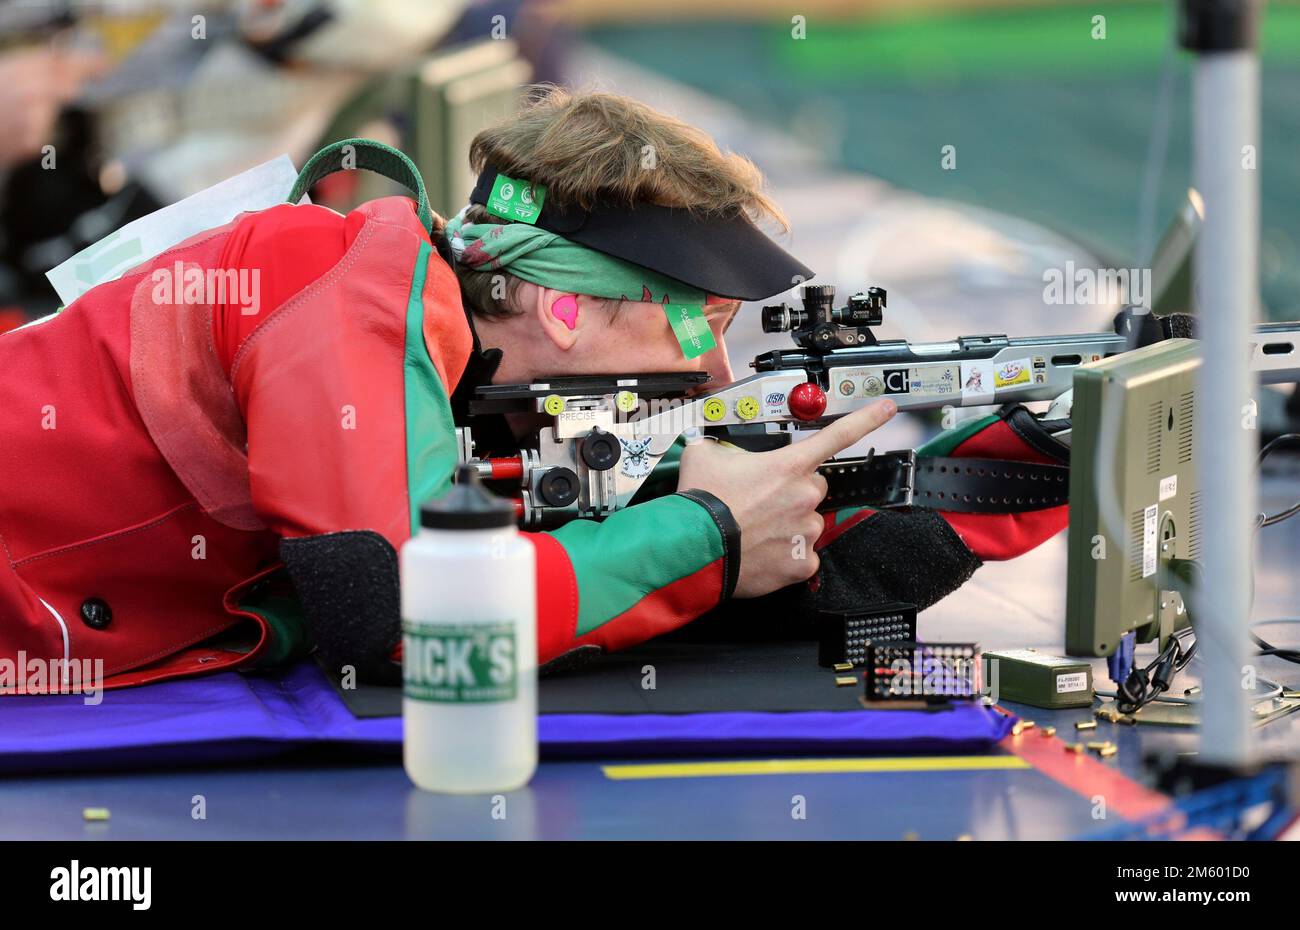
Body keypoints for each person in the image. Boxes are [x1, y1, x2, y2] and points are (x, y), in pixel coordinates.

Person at [0, 88, 1066, 692]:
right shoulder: (338, 292)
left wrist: (1023, 462)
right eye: (701, 316)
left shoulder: (451, 342)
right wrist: (705, 529)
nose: (713, 369)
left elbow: (789, 579)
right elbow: (400, 618)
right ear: (568, 305)